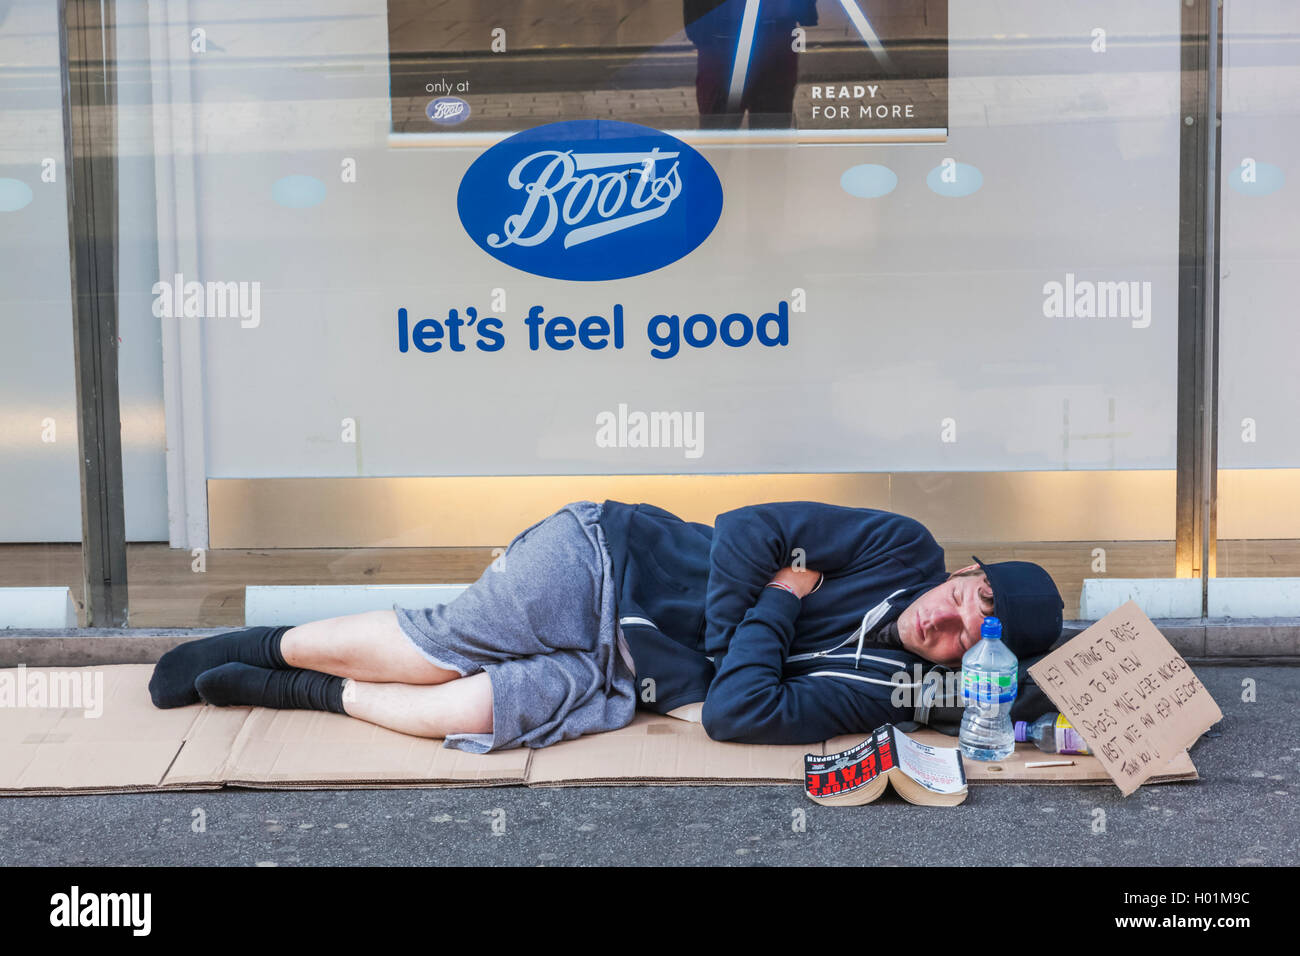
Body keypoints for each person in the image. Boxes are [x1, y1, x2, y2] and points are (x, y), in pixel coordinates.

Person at [149, 499, 1066, 753]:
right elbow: (751, 530)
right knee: (440, 649)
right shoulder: (902, 549)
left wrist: (781, 603)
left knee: (473, 715)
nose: (948, 620)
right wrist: (735, 649)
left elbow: (736, 715)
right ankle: (249, 648)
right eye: (968, 593)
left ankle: (302, 692)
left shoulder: (890, 694)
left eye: (973, 633)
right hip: (607, 560)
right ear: (961, 568)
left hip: (633, 680)